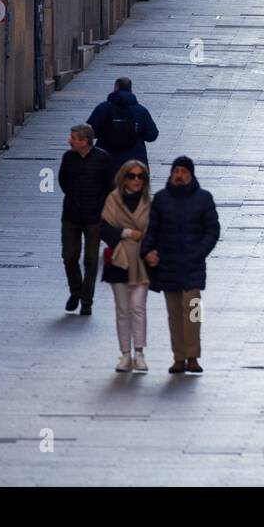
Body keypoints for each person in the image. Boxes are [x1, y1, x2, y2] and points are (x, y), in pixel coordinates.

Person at [141, 156, 220, 375]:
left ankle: (193, 356)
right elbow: (152, 231)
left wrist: (199, 252)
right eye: (176, 170)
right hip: (168, 266)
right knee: (174, 315)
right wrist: (147, 251)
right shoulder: (161, 199)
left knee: (194, 311)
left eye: (184, 171)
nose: (179, 174)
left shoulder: (204, 199)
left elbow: (212, 230)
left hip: (192, 266)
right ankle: (179, 357)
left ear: (191, 175)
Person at [100, 159, 152, 374]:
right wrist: (128, 233)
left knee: (138, 308)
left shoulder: (150, 202)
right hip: (118, 262)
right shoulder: (113, 199)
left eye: (141, 176)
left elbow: (157, 230)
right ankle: (125, 354)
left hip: (141, 262)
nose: (136, 180)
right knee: (123, 310)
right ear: (124, 178)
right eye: (132, 176)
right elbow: (104, 228)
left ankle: (139, 353)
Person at [58, 124, 112, 316]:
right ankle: (76, 292)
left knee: (90, 260)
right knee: (69, 256)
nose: (69, 140)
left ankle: (86, 301)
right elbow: (63, 181)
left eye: (73, 138)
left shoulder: (102, 159)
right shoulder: (68, 158)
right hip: (71, 216)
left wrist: (99, 207)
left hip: (94, 218)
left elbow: (109, 186)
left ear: (85, 141)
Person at [86, 76, 160, 184]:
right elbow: (152, 135)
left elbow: (89, 132)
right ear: (131, 89)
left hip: (106, 160)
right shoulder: (141, 110)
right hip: (134, 162)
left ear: (116, 87)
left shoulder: (103, 108)